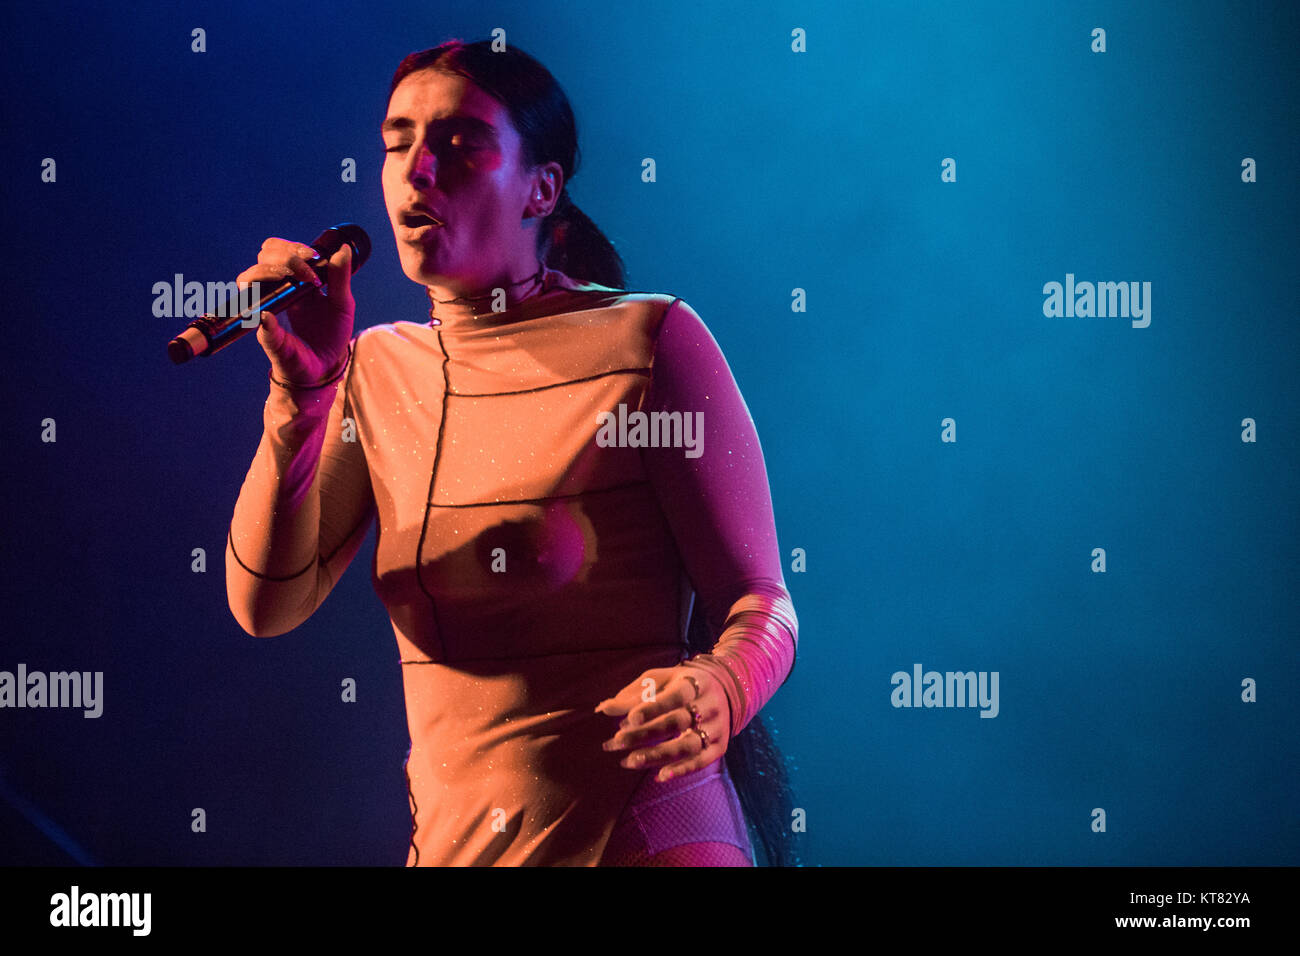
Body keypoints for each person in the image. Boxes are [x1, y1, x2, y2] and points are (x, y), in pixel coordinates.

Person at [225, 39, 799, 866]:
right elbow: (262, 606)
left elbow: (762, 600)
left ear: (542, 187)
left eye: (460, 145)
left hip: (642, 836)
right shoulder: (375, 368)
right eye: (397, 144)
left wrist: (721, 685)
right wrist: (301, 397)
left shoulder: (650, 339)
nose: (418, 172)